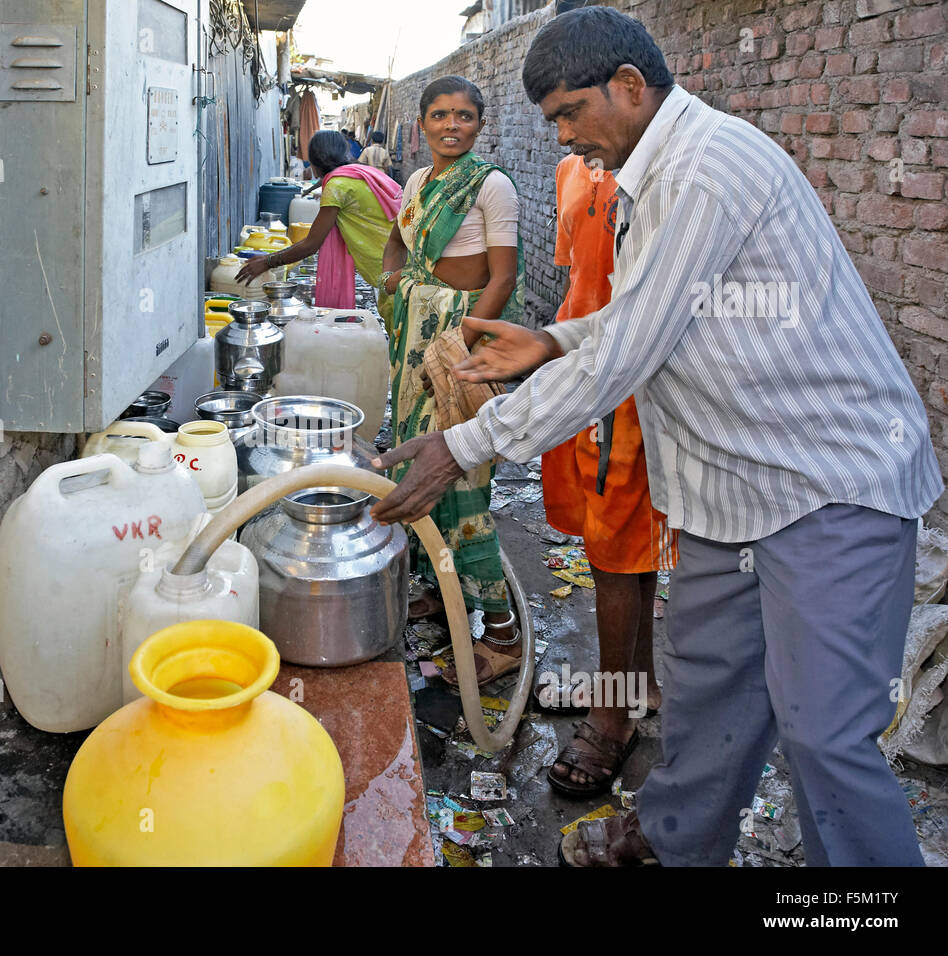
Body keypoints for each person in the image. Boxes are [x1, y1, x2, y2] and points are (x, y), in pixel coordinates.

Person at [370, 7, 941, 867]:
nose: (566, 138)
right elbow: (641, 318)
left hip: (826, 484)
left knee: (825, 736)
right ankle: (677, 844)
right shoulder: (652, 169)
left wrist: (463, 443)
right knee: (711, 695)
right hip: (728, 487)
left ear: (630, 87)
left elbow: (629, 356)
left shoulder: (705, 170)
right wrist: (554, 339)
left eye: (570, 114)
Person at [536, 152, 677, 799]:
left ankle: (613, 716)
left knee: (617, 551)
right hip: (582, 366)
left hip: (634, 378)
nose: (563, 128)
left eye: (571, 108)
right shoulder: (571, 171)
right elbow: (582, 280)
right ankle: (636, 681)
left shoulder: (666, 172)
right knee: (618, 544)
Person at [378, 75, 526, 681]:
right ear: (421, 124)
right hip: (415, 339)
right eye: (440, 115)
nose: (451, 126)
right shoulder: (417, 182)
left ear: (479, 124)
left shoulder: (492, 186)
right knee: (420, 467)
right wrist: (393, 288)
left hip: (457, 345)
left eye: (464, 116)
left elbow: (504, 278)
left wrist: (458, 340)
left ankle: (502, 631)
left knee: (461, 478)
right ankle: (441, 593)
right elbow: (398, 244)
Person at [236, 129, 400, 317]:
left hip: (391, 272)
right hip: (401, 263)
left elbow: (311, 244)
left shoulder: (338, 186)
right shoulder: (361, 172)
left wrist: (268, 261)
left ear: (314, 164)